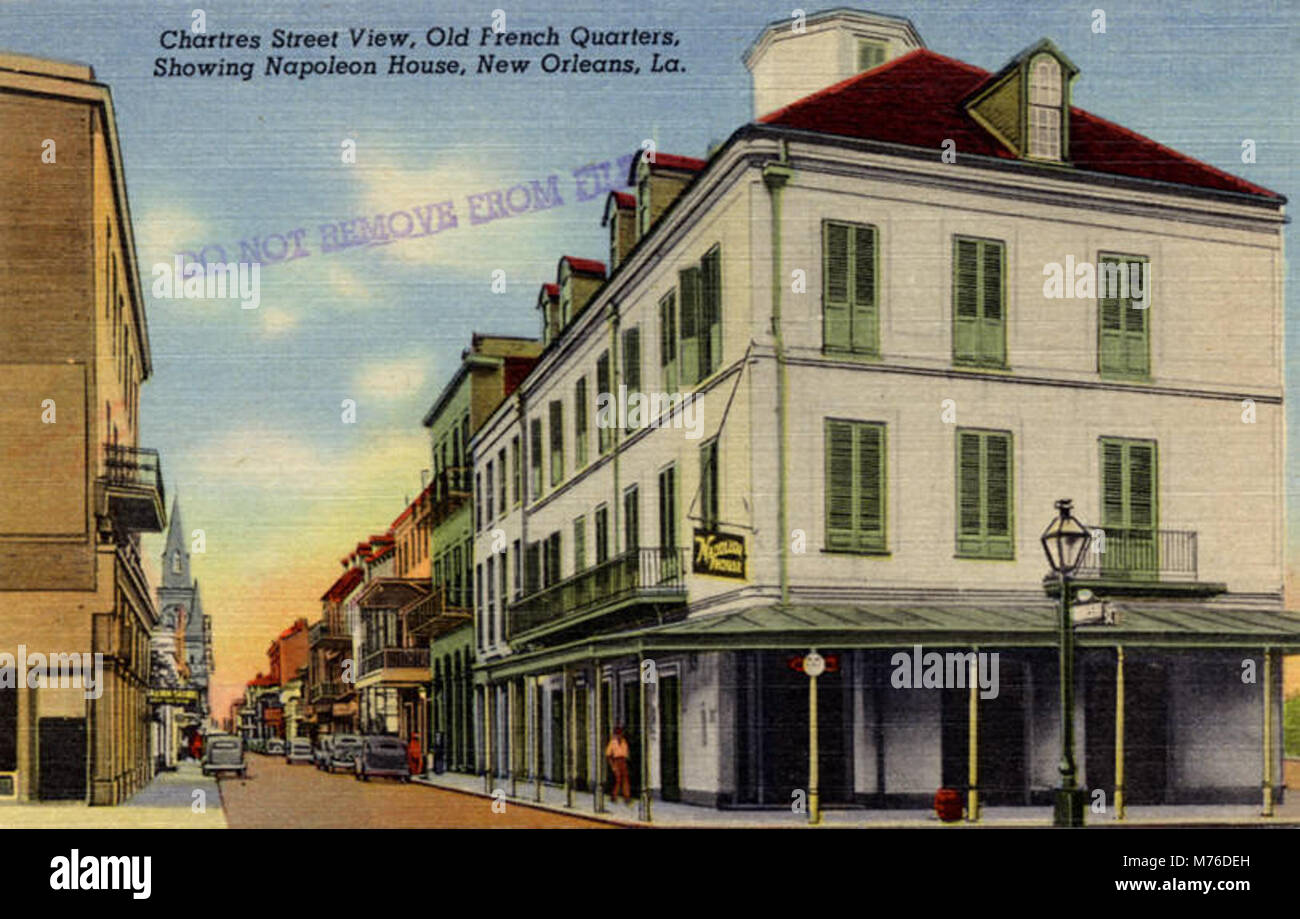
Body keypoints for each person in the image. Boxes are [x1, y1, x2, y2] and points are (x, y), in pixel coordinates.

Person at [605, 725, 631, 804]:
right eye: (618, 734)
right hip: (616, 761)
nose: (619, 735)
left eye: (620, 733)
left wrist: (626, 760)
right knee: (618, 779)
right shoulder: (613, 742)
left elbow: (626, 752)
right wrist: (612, 765)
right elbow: (608, 755)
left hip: (623, 761)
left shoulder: (624, 741)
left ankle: (627, 796)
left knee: (625, 779)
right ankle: (614, 795)